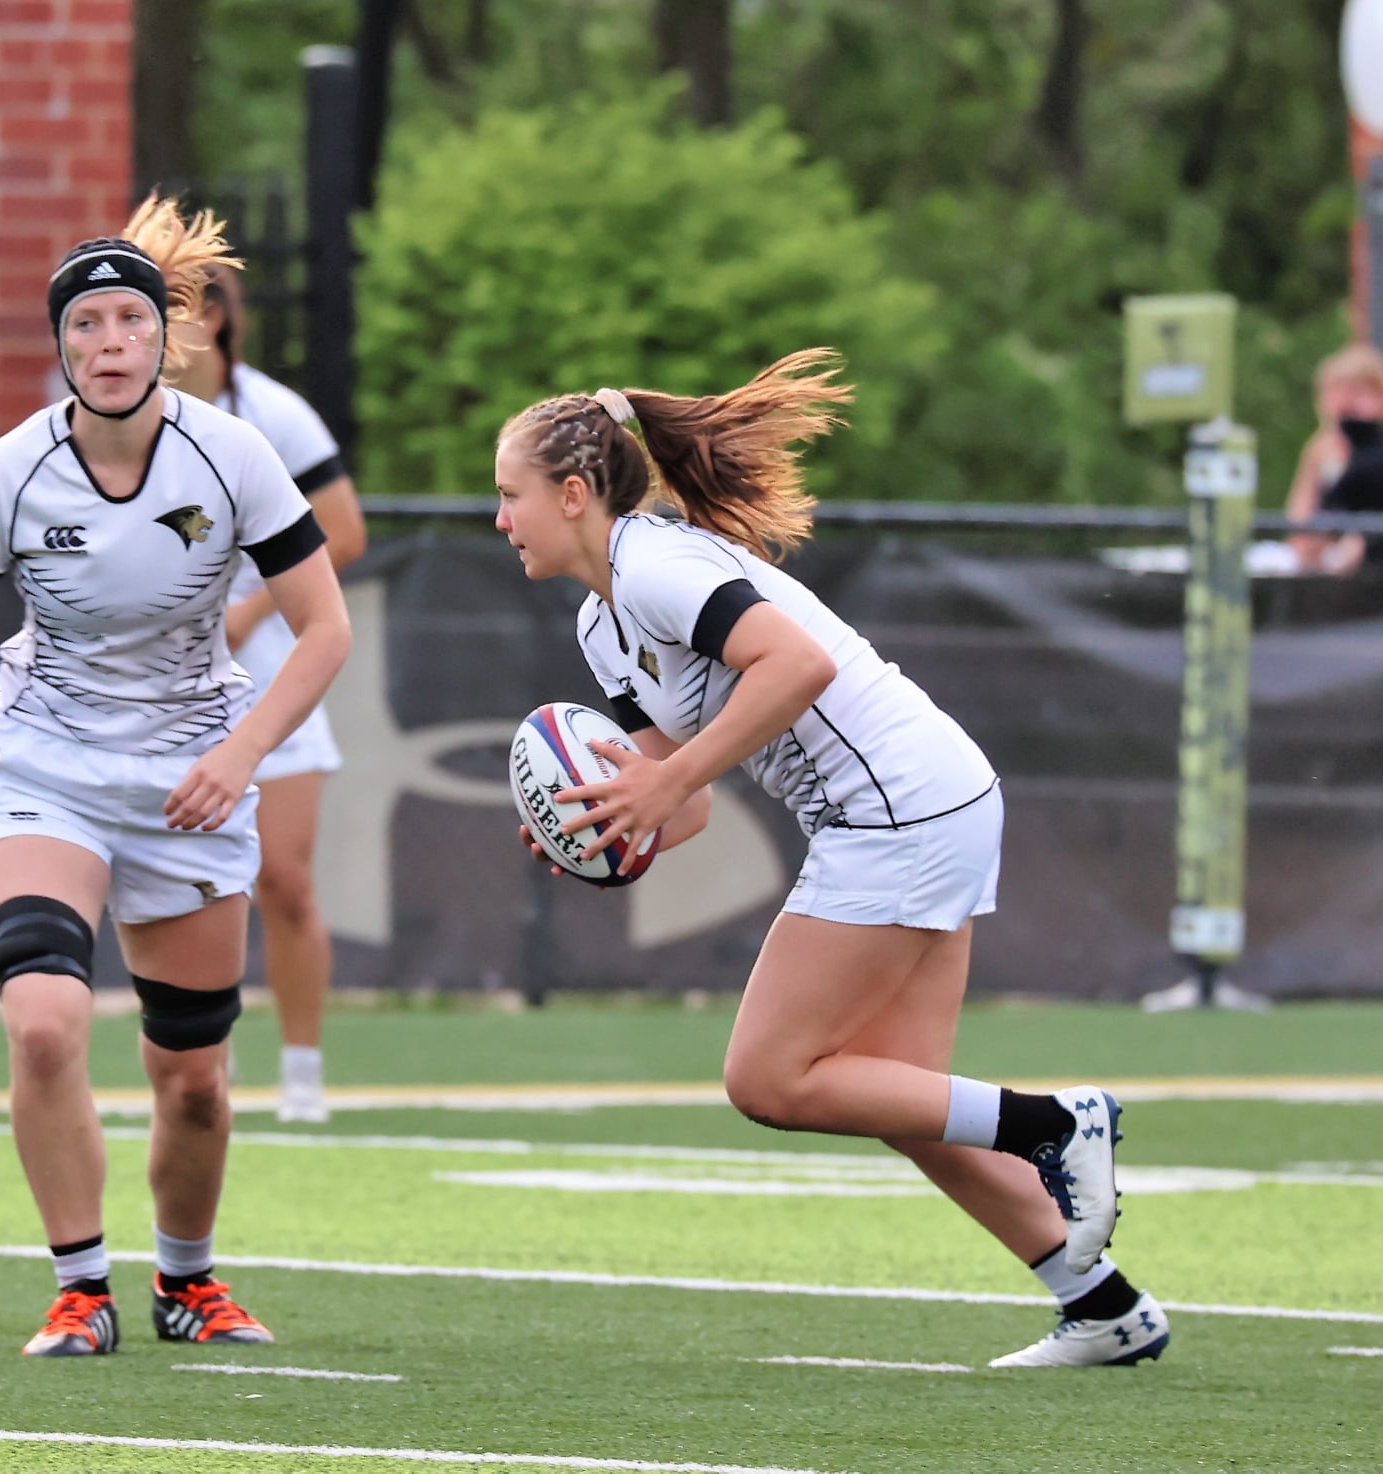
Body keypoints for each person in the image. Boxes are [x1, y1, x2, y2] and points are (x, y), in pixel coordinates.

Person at [494, 352, 1167, 1369]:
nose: (501, 518)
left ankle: (1057, 1124)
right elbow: (685, 801)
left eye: (511, 494)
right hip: (919, 804)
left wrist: (661, 787)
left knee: (768, 1078)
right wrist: (604, 822)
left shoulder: (656, 565)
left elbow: (796, 665)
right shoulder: (601, 622)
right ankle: (1104, 1306)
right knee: (906, 1099)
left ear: (575, 493)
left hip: (898, 810)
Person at [0, 196, 351, 1357]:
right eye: (87, 325)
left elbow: (325, 629)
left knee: (192, 1075)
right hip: (40, 766)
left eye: (131, 321)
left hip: (189, 779)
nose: (111, 343)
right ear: (60, 346)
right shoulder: (13, 470)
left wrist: (238, 755)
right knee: (46, 1022)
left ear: (169, 334)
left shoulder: (234, 454)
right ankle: (79, 1287)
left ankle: (187, 1283)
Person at [167, 263, 368, 1123]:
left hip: (275, 681)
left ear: (213, 316)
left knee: (283, 878)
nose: (138, 332)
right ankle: (202, 1058)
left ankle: (302, 1075)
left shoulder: (273, 416)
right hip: (169, 691)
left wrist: (251, 609)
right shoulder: (124, 423)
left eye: (163, 308)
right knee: (185, 886)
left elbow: (345, 531)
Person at [1285, 342, 1383, 575]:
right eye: (1337, 391)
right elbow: (1299, 523)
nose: (1345, 402)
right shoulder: (1319, 451)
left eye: (1358, 392)